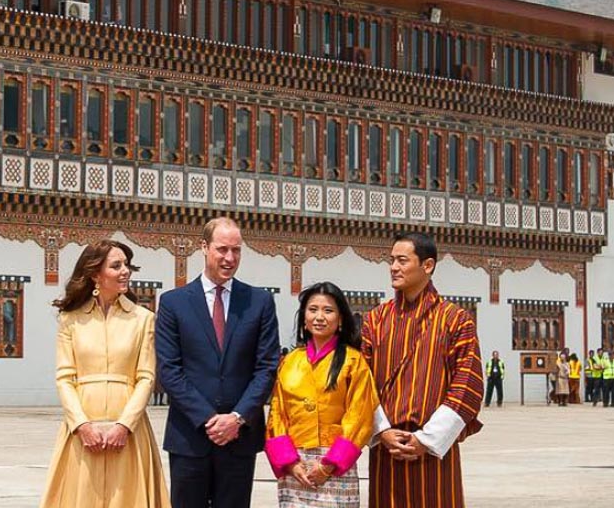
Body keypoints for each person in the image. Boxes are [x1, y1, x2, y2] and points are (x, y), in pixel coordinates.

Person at [155, 217, 280, 508]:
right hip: (189, 436)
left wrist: (236, 418)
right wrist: (208, 419)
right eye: (222, 249)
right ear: (204, 247)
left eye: (236, 250)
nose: (229, 258)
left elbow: (266, 367)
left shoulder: (259, 302)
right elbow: (170, 370)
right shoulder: (174, 303)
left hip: (240, 438)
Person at [39, 240, 169, 508]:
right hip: (83, 427)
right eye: (116, 266)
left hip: (129, 430)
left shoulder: (143, 318)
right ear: (95, 274)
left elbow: (146, 377)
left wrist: (124, 425)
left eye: (126, 266)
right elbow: (64, 377)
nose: (125, 272)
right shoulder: (70, 319)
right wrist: (81, 425)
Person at [361, 232, 484, 508]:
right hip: (387, 450)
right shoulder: (375, 320)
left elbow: (468, 385)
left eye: (402, 260)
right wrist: (382, 432)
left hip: (433, 452)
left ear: (427, 266)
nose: (393, 267)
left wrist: (426, 439)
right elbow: (360, 383)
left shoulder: (455, 320)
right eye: (391, 260)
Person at [265, 282, 379, 508]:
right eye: (312, 309)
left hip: (335, 466)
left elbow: (360, 416)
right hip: (294, 464)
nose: (319, 317)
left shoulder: (353, 361)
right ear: (304, 318)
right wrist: (290, 462)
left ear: (340, 319)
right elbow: (277, 414)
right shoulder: (289, 362)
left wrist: (329, 464)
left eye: (328, 310)